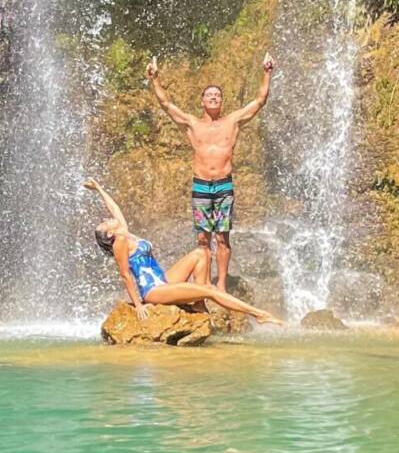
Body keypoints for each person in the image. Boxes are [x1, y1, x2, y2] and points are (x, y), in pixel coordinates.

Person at [146, 52, 273, 291]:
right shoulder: (192, 123)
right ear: (202, 101)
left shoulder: (232, 121)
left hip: (224, 185)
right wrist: (154, 79)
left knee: (223, 237)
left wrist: (266, 72)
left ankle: (222, 284)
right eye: (210, 95)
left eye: (218, 95)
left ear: (221, 102)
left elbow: (259, 101)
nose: (214, 98)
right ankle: (203, 282)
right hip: (201, 185)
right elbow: (166, 104)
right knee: (203, 238)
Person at [84, 180, 279, 324]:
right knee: (210, 289)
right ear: (108, 233)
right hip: (153, 290)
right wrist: (139, 304)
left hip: (164, 279)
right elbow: (125, 275)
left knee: (201, 253)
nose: (107, 219)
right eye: (104, 223)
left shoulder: (126, 234)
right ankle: (258, 314)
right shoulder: (120, 242)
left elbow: (115, 208)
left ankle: (198, 305)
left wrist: (99, 189)